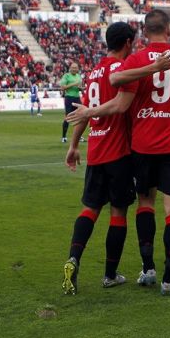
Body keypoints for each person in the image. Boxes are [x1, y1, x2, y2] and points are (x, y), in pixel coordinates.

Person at [68, 9, 170, 295]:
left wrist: (89, 113)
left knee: (145, 204)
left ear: (145, 32)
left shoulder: (135, 60)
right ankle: (169, 279)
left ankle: (148, 268)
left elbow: (120, 102)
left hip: (142, 147)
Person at [61, 23, 143, 295]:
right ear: (128, 42)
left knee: (90, 209)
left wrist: (74, 146)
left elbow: (84, 113)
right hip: (119, 152)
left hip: (95, 152)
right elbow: (119, 105)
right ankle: (109, 275)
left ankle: (73, 258)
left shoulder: (95, 72)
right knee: (118, 212)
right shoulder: (121, 70)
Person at [59, 62, 83, 142]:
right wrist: (73, 84)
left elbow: (80, 88)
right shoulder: (66, 76)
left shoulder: (79, 76)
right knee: (68, 117)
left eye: (75, 68)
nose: (74, 69)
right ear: (70, 68)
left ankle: (79, 136)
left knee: (80, 117)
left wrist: (81, 88)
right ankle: (64, 137)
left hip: (77, 98)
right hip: (69, 98)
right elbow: (62, 88)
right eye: (73, 68)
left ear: (78, 69)